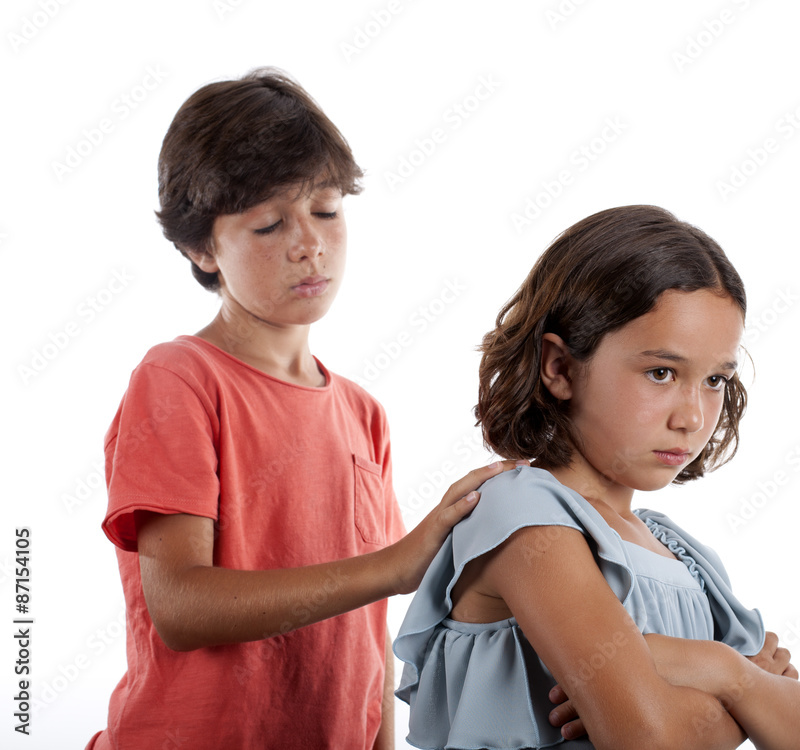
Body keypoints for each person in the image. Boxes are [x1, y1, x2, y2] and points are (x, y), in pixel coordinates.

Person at [87, 68, 518, 750]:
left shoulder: (363, 413)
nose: (309, 244)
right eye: (267, 223)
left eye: (325, 210)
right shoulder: (179, 379)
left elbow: (367, 625)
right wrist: (394, 566)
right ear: (201, 248)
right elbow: (179, 607)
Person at [394, 205, 800, 749]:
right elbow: (647, 740)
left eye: (715, 379)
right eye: (661, 373)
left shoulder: (679, 552)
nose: (692, 416)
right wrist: (744, 687)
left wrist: (722, 672)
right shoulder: (521, 516)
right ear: (560, 367)